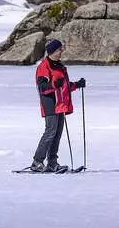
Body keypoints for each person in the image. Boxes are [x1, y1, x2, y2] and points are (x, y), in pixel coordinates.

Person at [29, 38, 85, 173]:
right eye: (60, 49)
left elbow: (63, 86)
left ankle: (52, 163)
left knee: (57, 134)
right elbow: (43, 88)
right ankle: (37, 162)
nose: (62, 51)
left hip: (60, 104)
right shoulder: (44, 66)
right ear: (53, 51)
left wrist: (77, 85)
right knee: (50, 133)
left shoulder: (59, 66)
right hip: (50, 104)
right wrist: (54, 85)